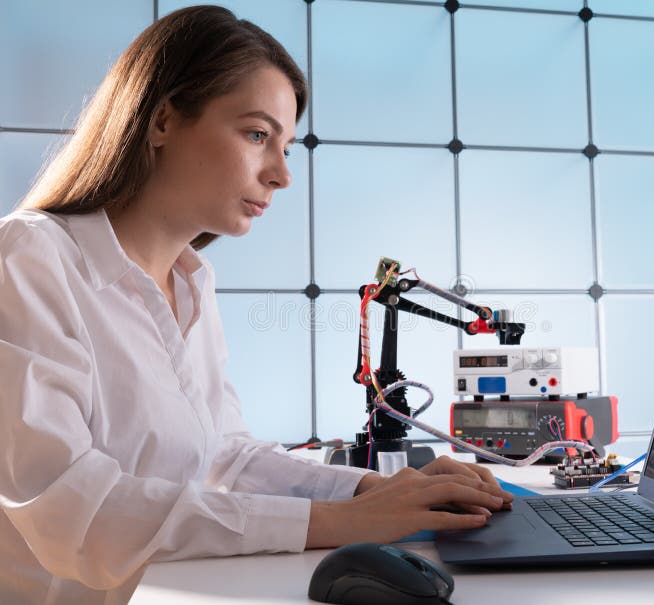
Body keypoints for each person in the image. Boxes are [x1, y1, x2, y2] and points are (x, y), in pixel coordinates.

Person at [0, 6, 513, 605]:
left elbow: (227, 456)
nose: (280, 175)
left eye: (286, 146)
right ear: (162, 119)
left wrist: (375, 491)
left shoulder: (192, 281)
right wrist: (342, 523)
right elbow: (66, 504)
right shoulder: (29, 257)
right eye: (256, 135)